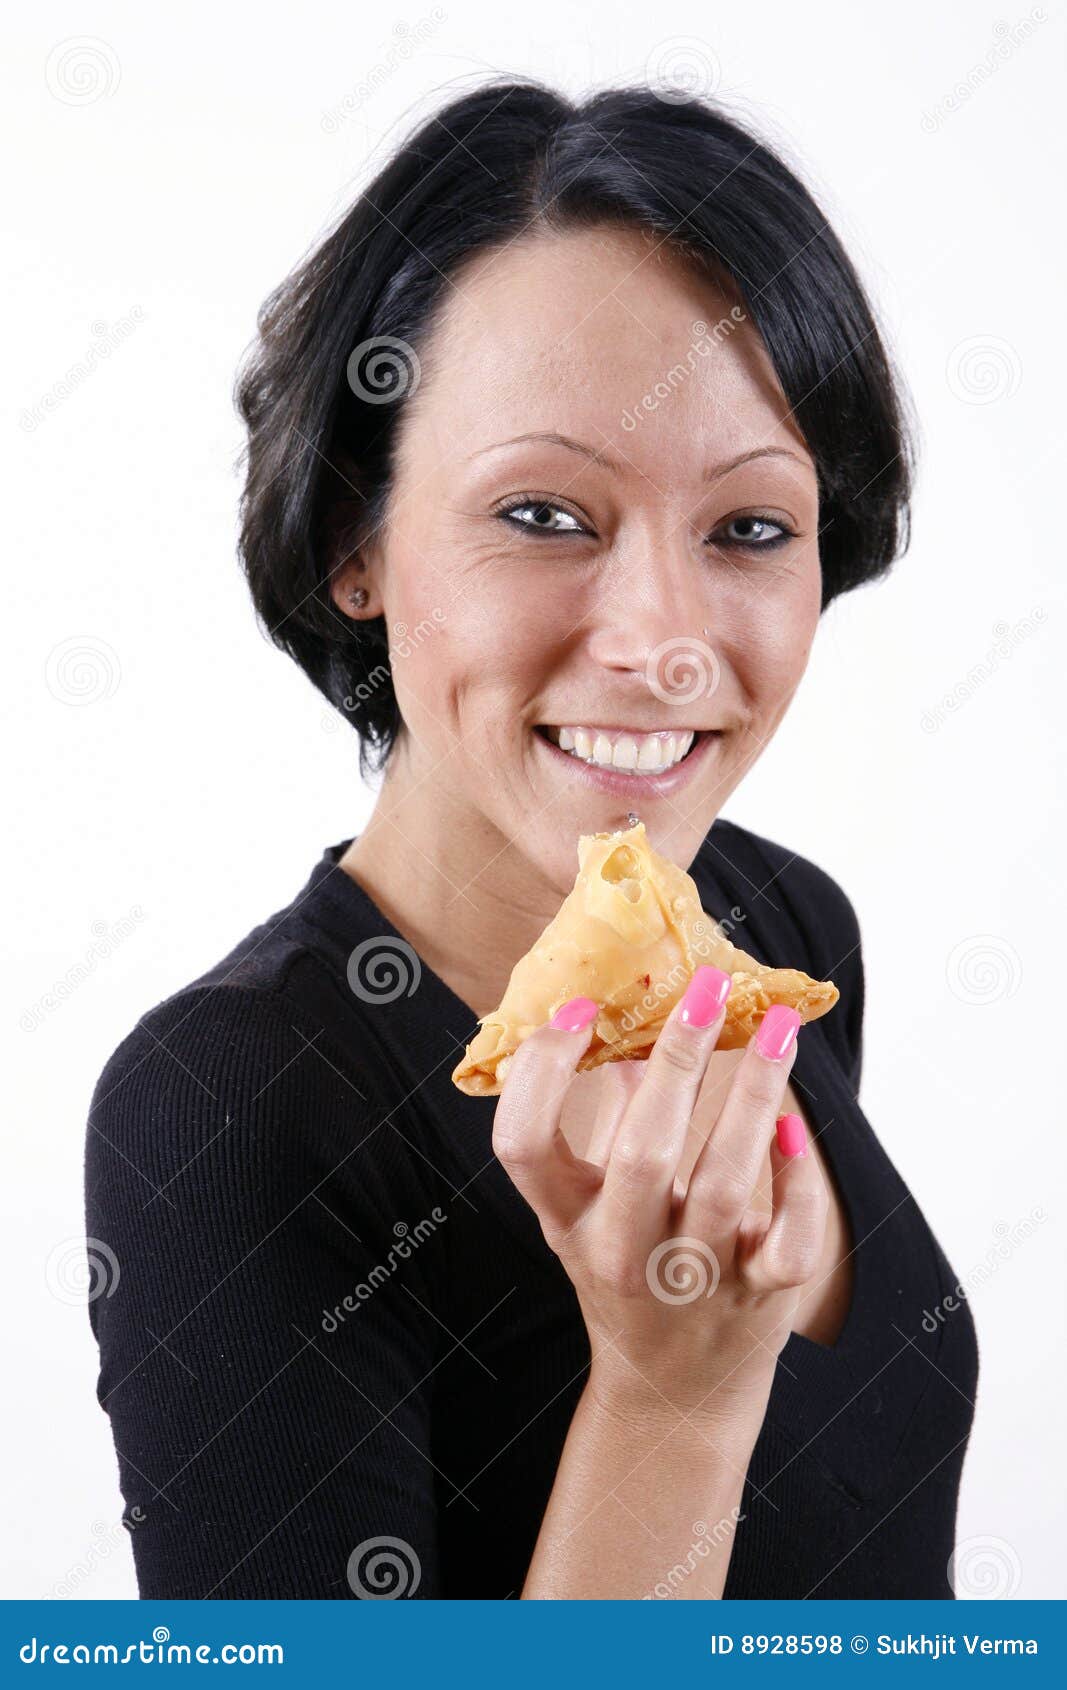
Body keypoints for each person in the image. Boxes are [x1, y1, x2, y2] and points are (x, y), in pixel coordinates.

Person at [86, 79, 977, 1599]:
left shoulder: (782, 929)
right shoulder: (230, 1111)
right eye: (548, 515)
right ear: (354, 542)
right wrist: (672, 1397)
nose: (664, 640)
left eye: (750, 528)